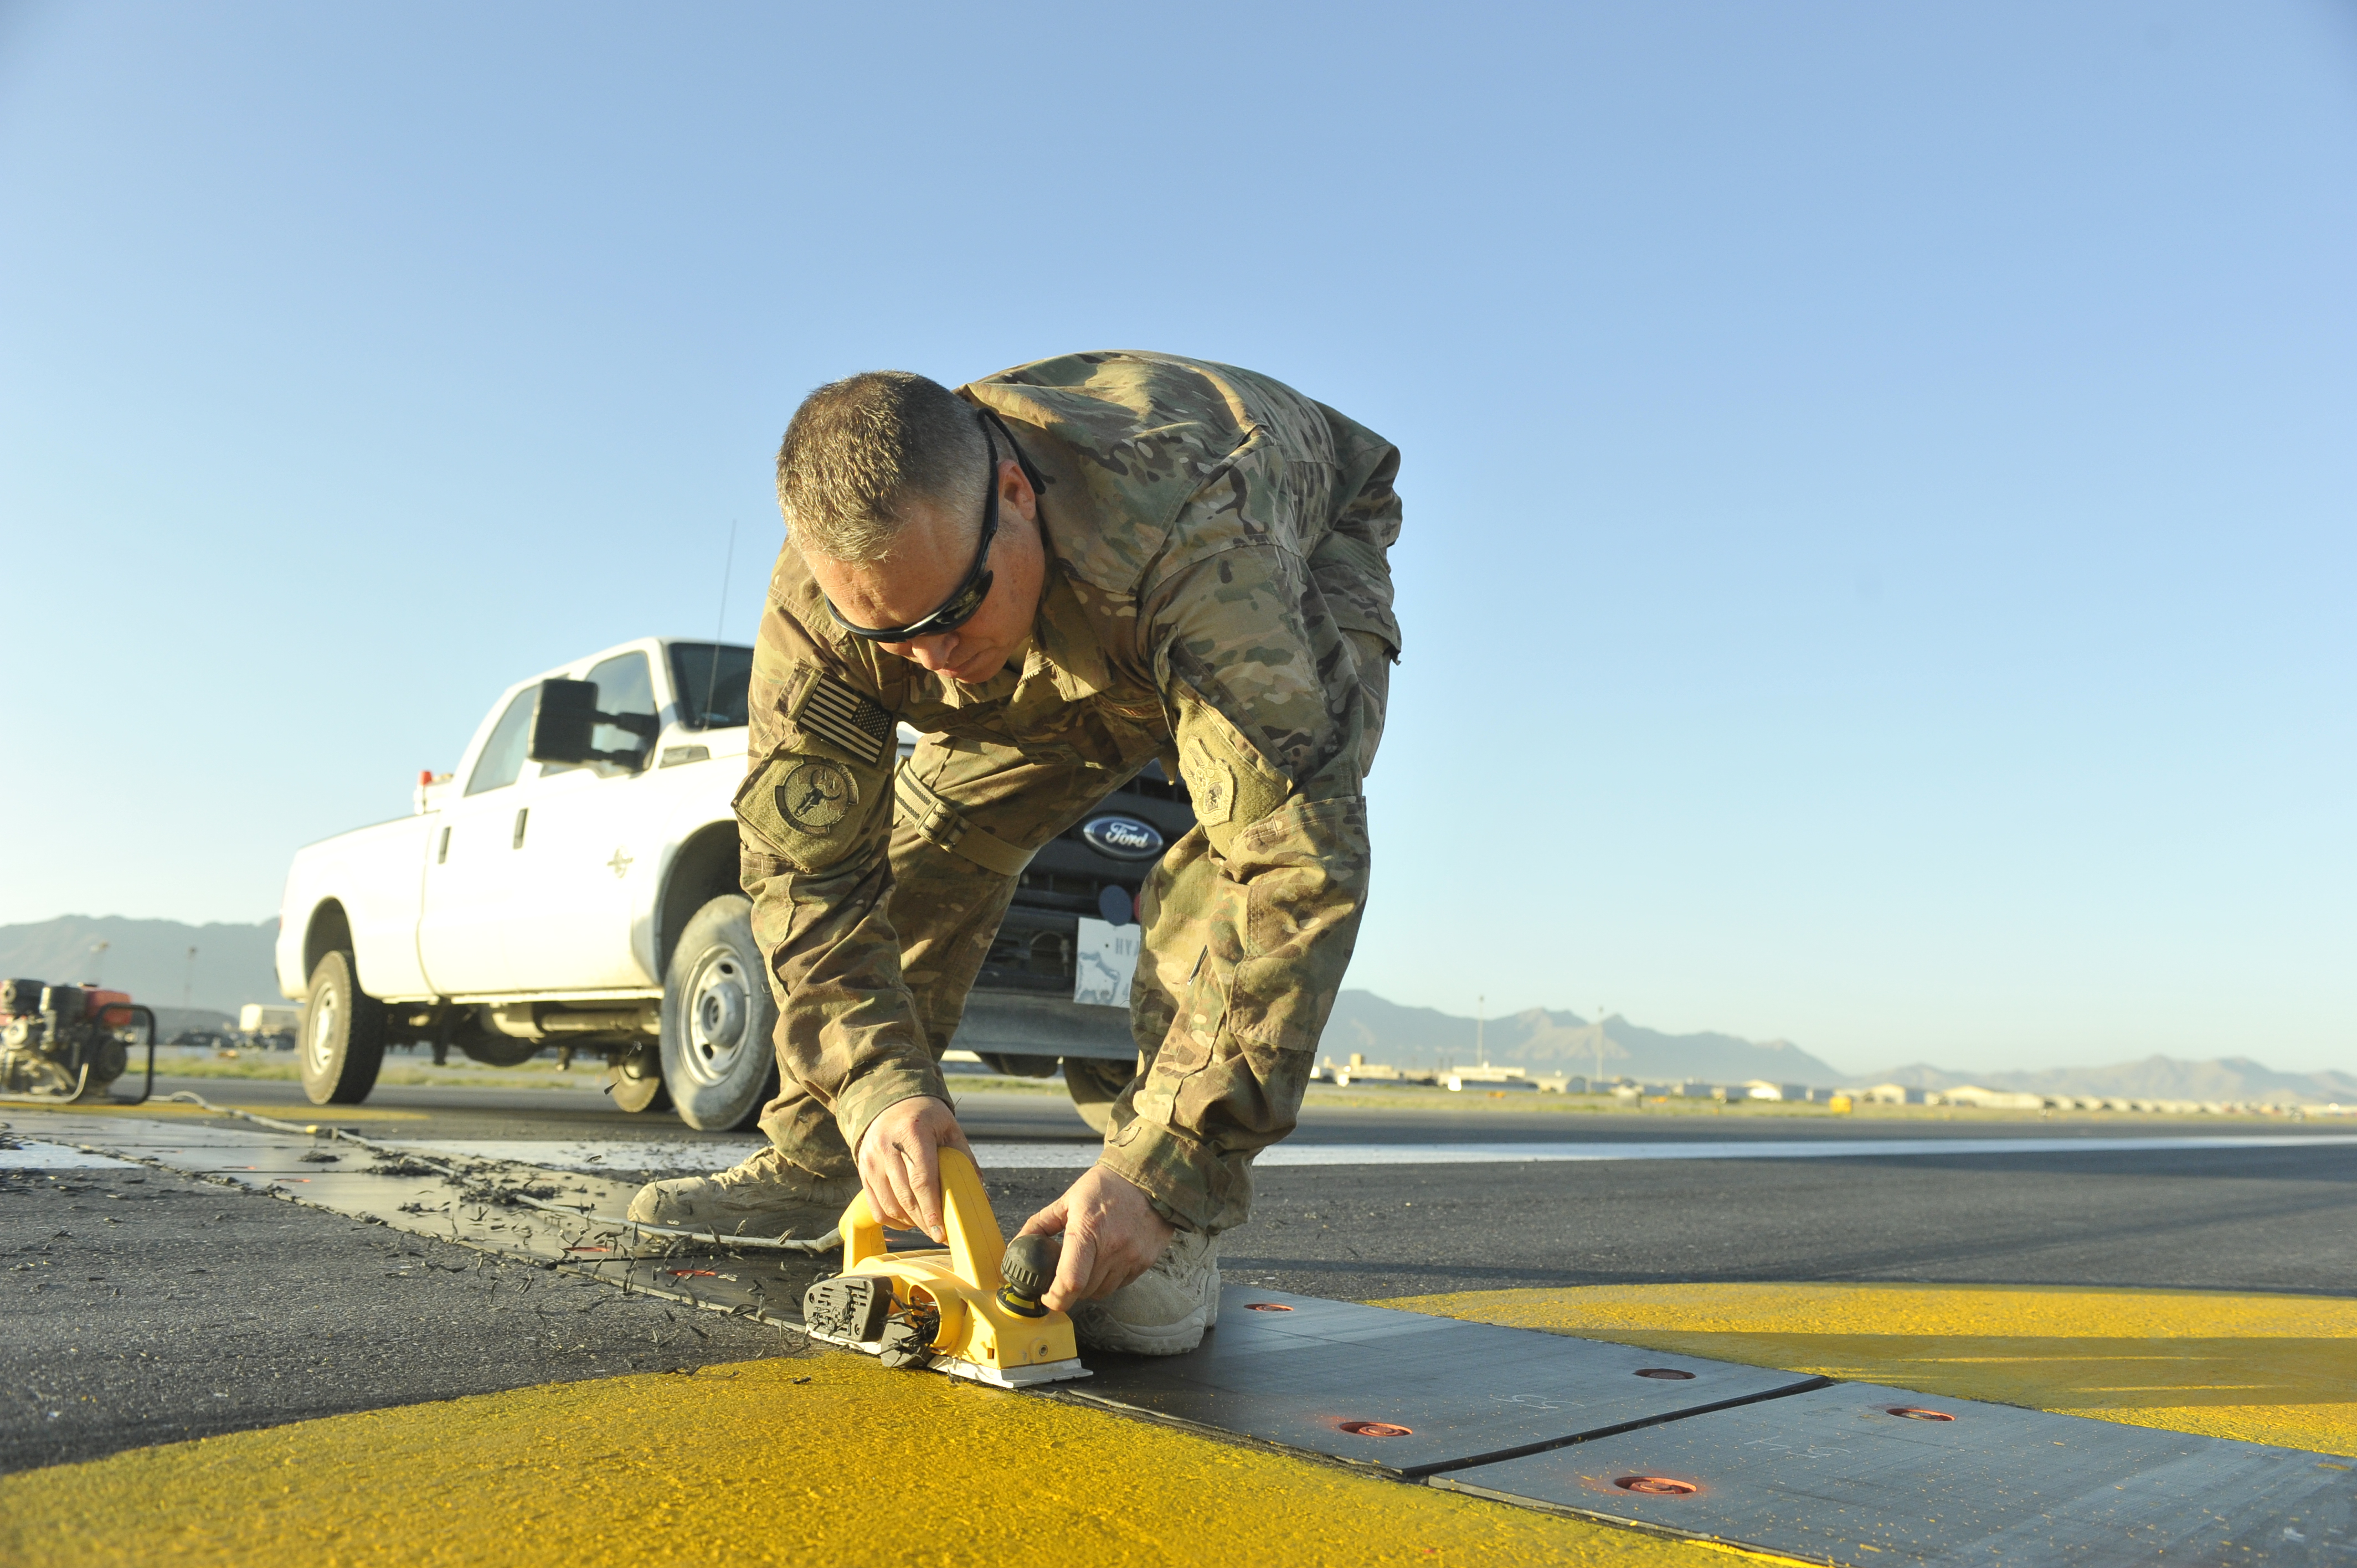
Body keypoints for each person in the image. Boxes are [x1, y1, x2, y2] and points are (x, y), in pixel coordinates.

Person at [629, 352, 1399, 1354]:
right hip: (1064, 593)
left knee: (1224, 864)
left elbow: (1292, 868)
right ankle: (827, 1158)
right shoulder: (839, 598)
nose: (936, 665)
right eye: (892, 638)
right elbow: (805, 872)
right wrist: (877, 1088)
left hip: (1291, 539)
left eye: (950, 613)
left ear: (1011, 490)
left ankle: (1174, 1211)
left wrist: (1160, 1166)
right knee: (927, 844)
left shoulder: (1207, 548)